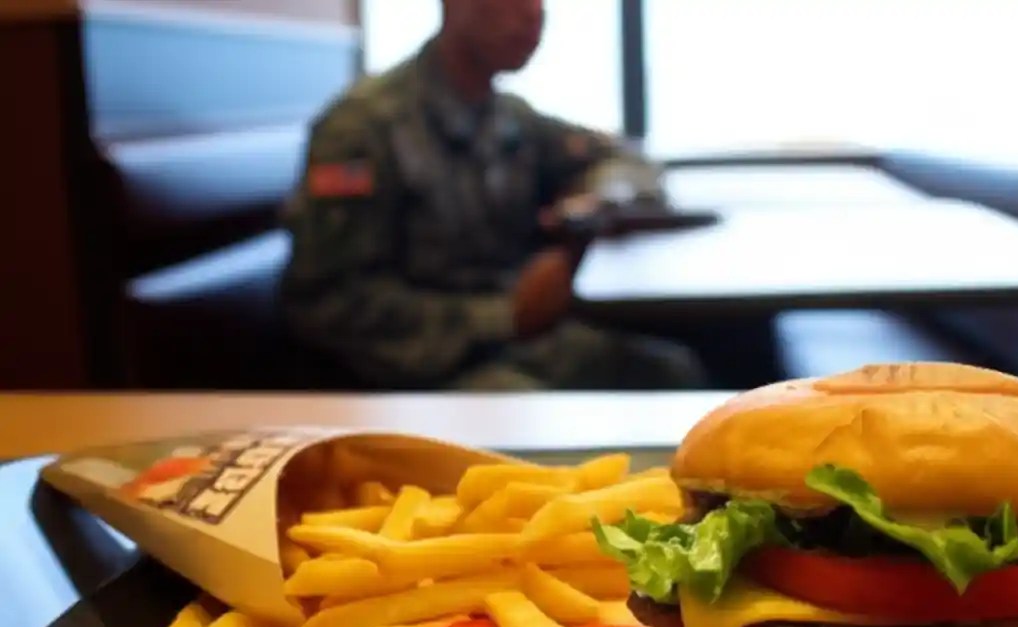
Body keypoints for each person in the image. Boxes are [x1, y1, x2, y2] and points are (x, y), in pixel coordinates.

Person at [281, 0, 703, 390]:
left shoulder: (509, 117)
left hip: (520, 345)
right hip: (423, 374)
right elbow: (328, 305)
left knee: (672, 373)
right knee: (549, 425)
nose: (533, 13)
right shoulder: (364, 127)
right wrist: (506, 316)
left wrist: (590, 206)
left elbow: (624, 160)